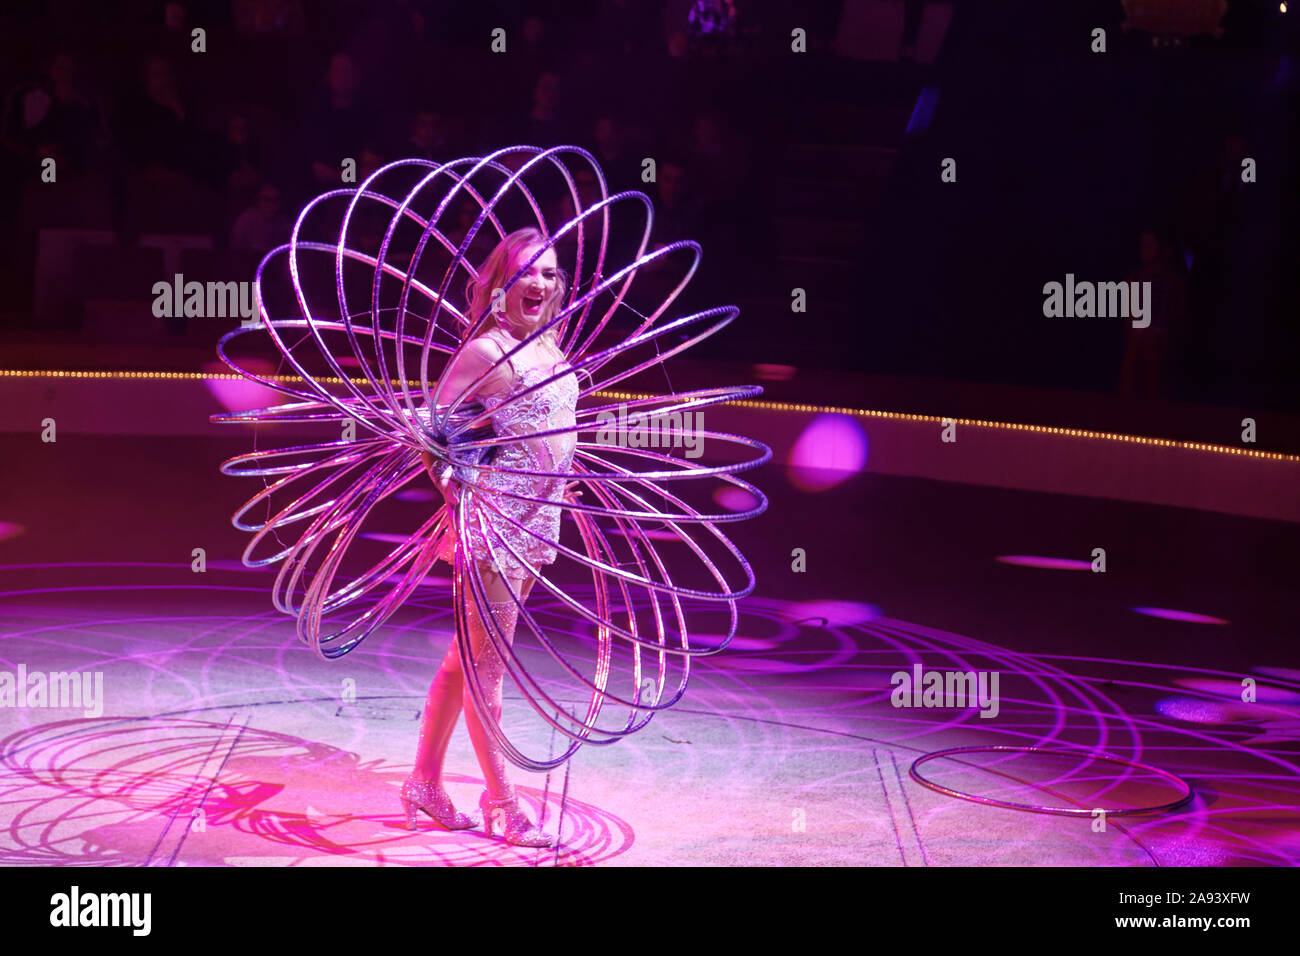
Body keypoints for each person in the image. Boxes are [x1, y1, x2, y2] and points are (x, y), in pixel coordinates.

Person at [403, 227, 582, 847]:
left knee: (469, 656)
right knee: (489, 669)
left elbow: (552, 432)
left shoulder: (552, 351)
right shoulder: (487, 351)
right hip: (498, 528)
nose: (538, 282)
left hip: (541, 525)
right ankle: (502, 803)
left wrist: (564, 480)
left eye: (549, 273)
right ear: (501, 283)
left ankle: (424, 782)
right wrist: (458, 489)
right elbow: (432, 428)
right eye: (526, 272)